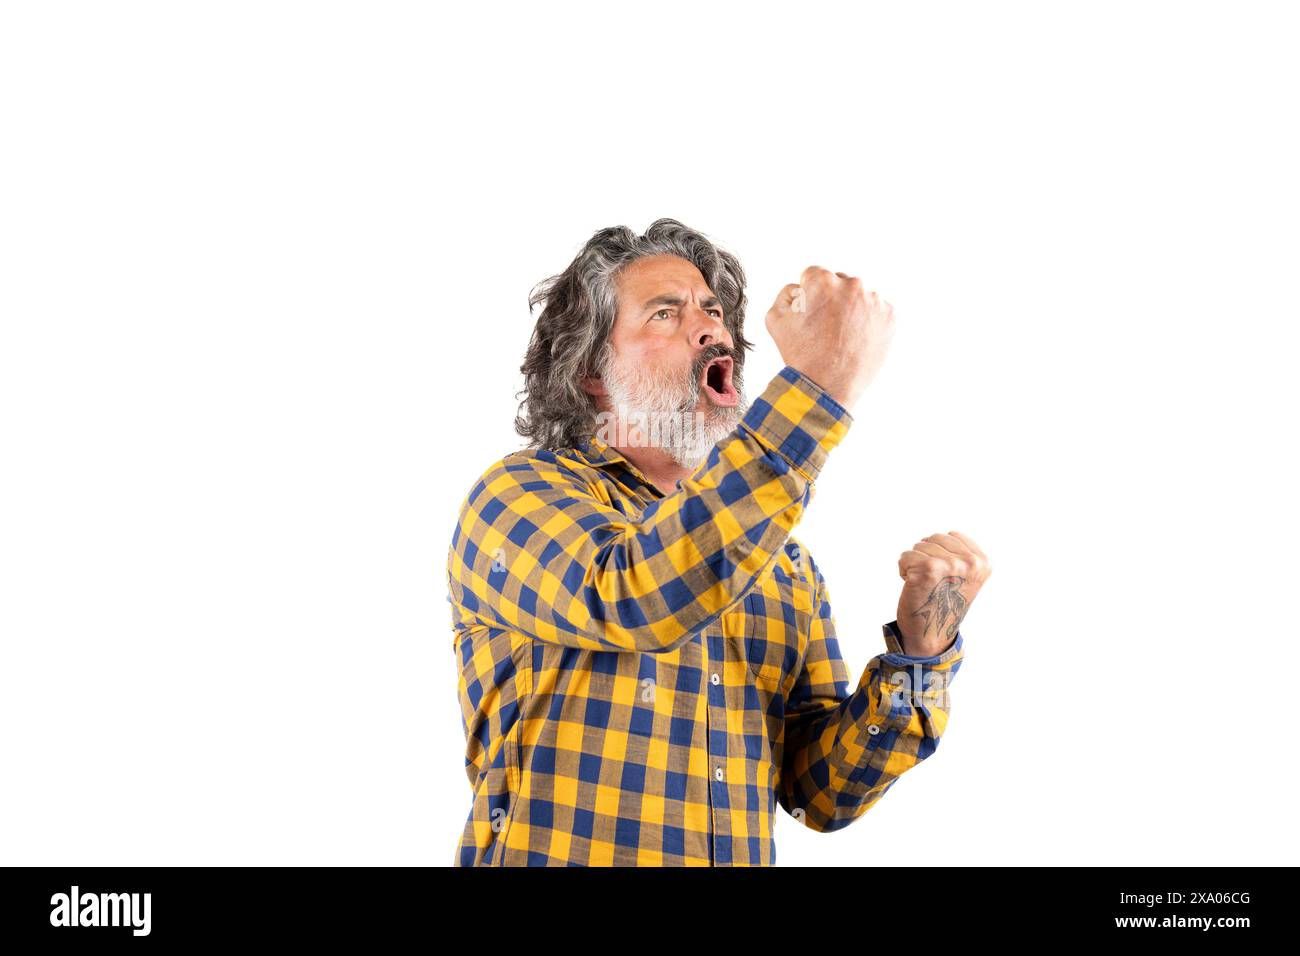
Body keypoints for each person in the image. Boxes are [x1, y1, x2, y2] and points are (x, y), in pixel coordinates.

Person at [446, 218, 992, 866]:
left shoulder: (783, 565)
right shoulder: (517, 497)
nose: (709, 327)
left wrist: (920, 654)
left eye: (712, 309)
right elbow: (634, 593)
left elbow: (821, 793)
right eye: (664, 314)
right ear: (592, 370)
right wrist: (817, 389)